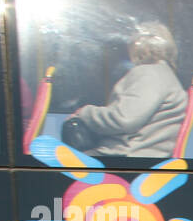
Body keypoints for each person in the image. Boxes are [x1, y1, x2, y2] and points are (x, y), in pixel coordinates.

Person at [70, 22, 185, 157]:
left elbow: (124, 120)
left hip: (125, 157)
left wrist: (85, 113)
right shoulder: (165, 75)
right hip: (143, 156)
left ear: (138, 46)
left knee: (49, 164)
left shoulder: (149, 74)